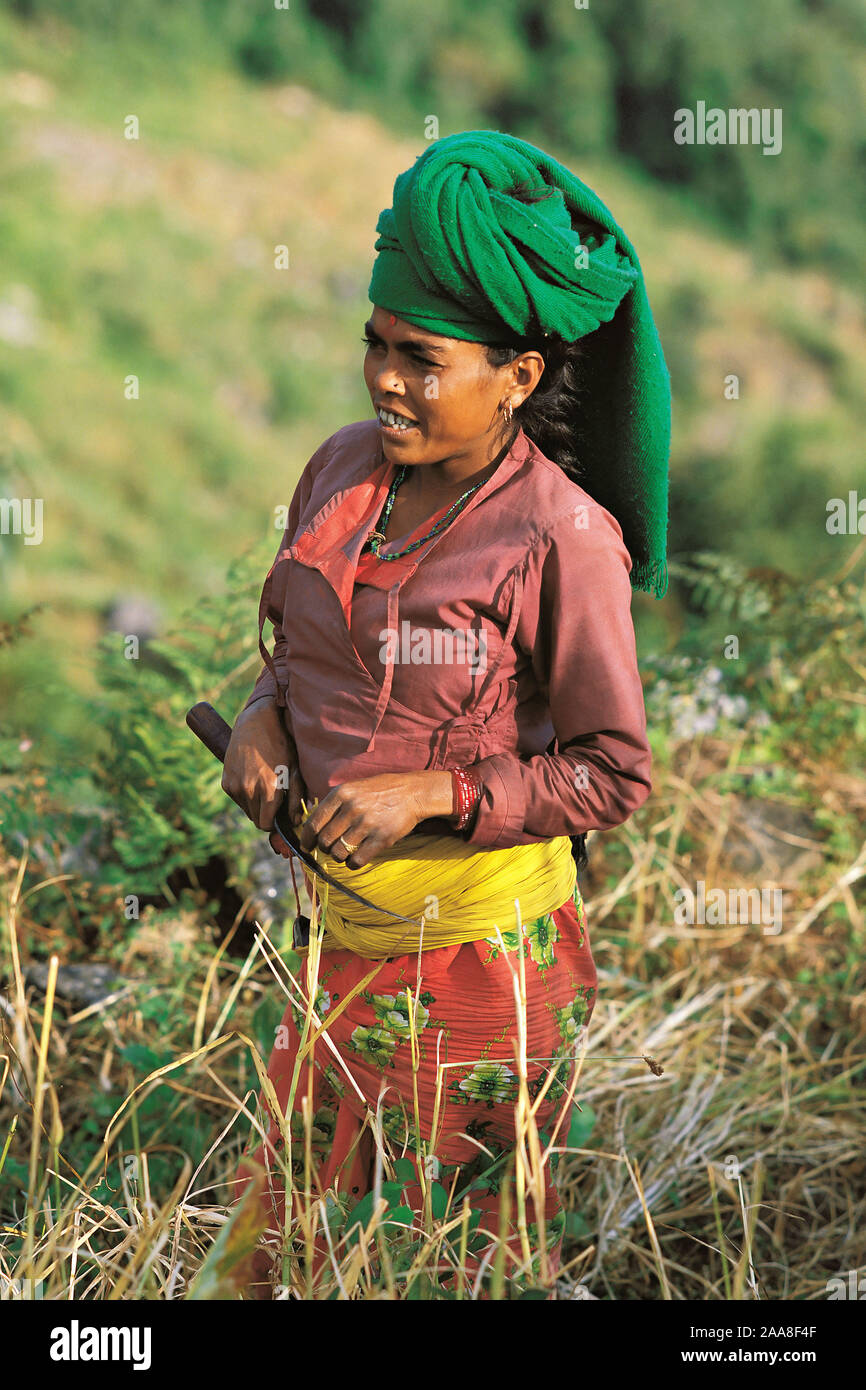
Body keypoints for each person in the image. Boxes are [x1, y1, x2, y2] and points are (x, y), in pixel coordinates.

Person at [222, 129, 670, 1298]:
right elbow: (296, 648)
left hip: (485, 973)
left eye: (420, 358)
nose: (383, 380)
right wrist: (265, 720)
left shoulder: (558, 537)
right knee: (278, 1257)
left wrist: (435, 794)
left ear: (517, 376)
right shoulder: (337, 470)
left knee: (454, 1266)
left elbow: (614, 772)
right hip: (340, 949)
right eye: (374, 346)